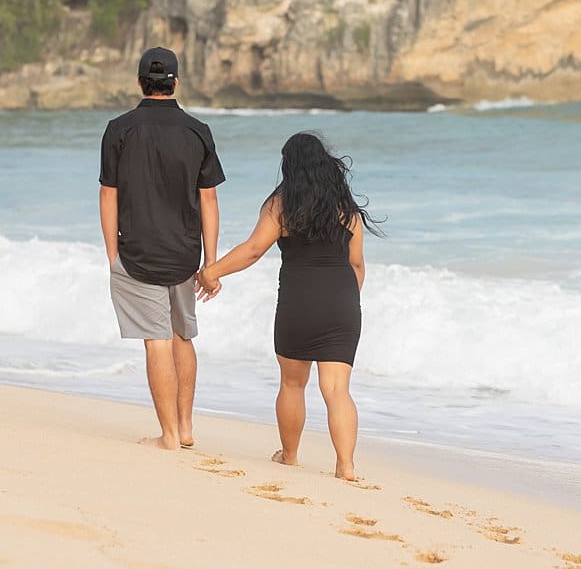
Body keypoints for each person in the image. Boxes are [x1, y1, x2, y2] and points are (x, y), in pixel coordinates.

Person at [196, 132, 375, 481]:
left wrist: (210, 273)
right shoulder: (347, 210)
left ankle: (290, 456)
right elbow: (357, 265)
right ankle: (346, 466)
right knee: (337, 390)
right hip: (342, 303)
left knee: (292, 384)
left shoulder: (280, 205)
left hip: (298, 302)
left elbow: (252, 250)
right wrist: (346, 303)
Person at [99, 46, 225, 450]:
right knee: (182, 337)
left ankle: (168, 435)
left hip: (136, 254)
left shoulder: (119, 129)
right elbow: (209, 200)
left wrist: (111, 253)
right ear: (175, 82)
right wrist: (211, 262)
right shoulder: (198, 131)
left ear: (140, 82)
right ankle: (185, 428)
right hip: (185, 255)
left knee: (157, 342)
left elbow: (108, 195)